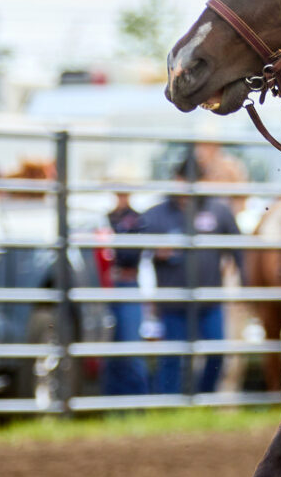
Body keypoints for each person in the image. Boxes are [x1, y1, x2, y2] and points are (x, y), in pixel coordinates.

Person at [140, 157, 243, 395]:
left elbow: (240, 248)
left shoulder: (218, 211)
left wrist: (245, 283)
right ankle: (169, 404)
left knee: (216, 353)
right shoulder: (156, 215)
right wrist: (157, 252)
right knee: (173, 358)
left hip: (209, 300)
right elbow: (137, 253)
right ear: (176, 181)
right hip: (173, 302)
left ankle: (203, 397)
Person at [101, 176, 151, 397]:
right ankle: (114, 401)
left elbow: (132, 254)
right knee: (111, 350)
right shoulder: (107, 218)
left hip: (126, 282)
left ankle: (135, 401)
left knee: (130, 349)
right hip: (111, 283)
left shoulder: (137, 219)